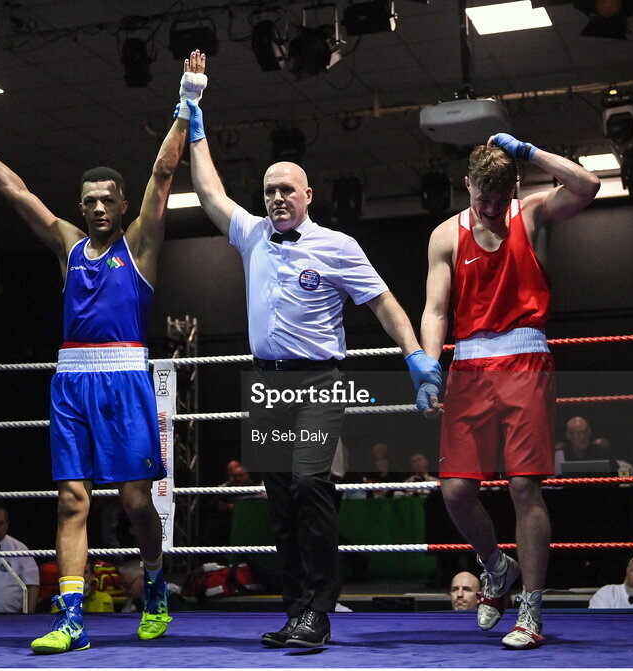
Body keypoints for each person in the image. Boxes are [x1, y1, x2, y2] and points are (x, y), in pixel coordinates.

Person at [0, 51, 206, 652]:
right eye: (89, 202)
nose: (99, 208)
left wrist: (188, 101)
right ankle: (72, 619)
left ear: (122, 204)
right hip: (71, 382)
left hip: (126, 380)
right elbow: (15, 191)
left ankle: (156, 584)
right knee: (71, 499)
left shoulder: (141, 244)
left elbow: (162, 176)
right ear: (81, 207)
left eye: (108, 199)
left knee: (136, 504)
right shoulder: (68, 246)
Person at [186, 97, 441, 648]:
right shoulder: (251, 234)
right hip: (266, 382)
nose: (277, 197)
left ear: (307, 196)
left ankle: (320, 610)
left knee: (308, 483)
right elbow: (209, 192)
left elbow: (383, 303)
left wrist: (416, 356)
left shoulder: (338, 246)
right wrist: (196, 115)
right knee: (280, 501)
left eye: (286, 190)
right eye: (270, 190)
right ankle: (297, 610)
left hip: (319, 382)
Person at [419, 134, 600, 649]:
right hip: (469, 367)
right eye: (483, 198)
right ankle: (497, 568)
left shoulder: (534, 213)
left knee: (524, 487)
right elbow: (435, 310)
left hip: (525, 359)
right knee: (454, 491)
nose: (493, 209)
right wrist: (430, 368)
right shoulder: (445, 236)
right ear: (467, 185)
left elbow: (587, 184)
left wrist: (530, 151)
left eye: (501, 199)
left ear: (513, 188)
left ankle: (532, 610)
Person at [553, 416, 618, 476]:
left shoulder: (603, 453)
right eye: (577, 433)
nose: (582, 437)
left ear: (590, 431)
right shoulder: (559, 455)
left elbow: (618, 479)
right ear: (568, 435)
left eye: (585, 432)